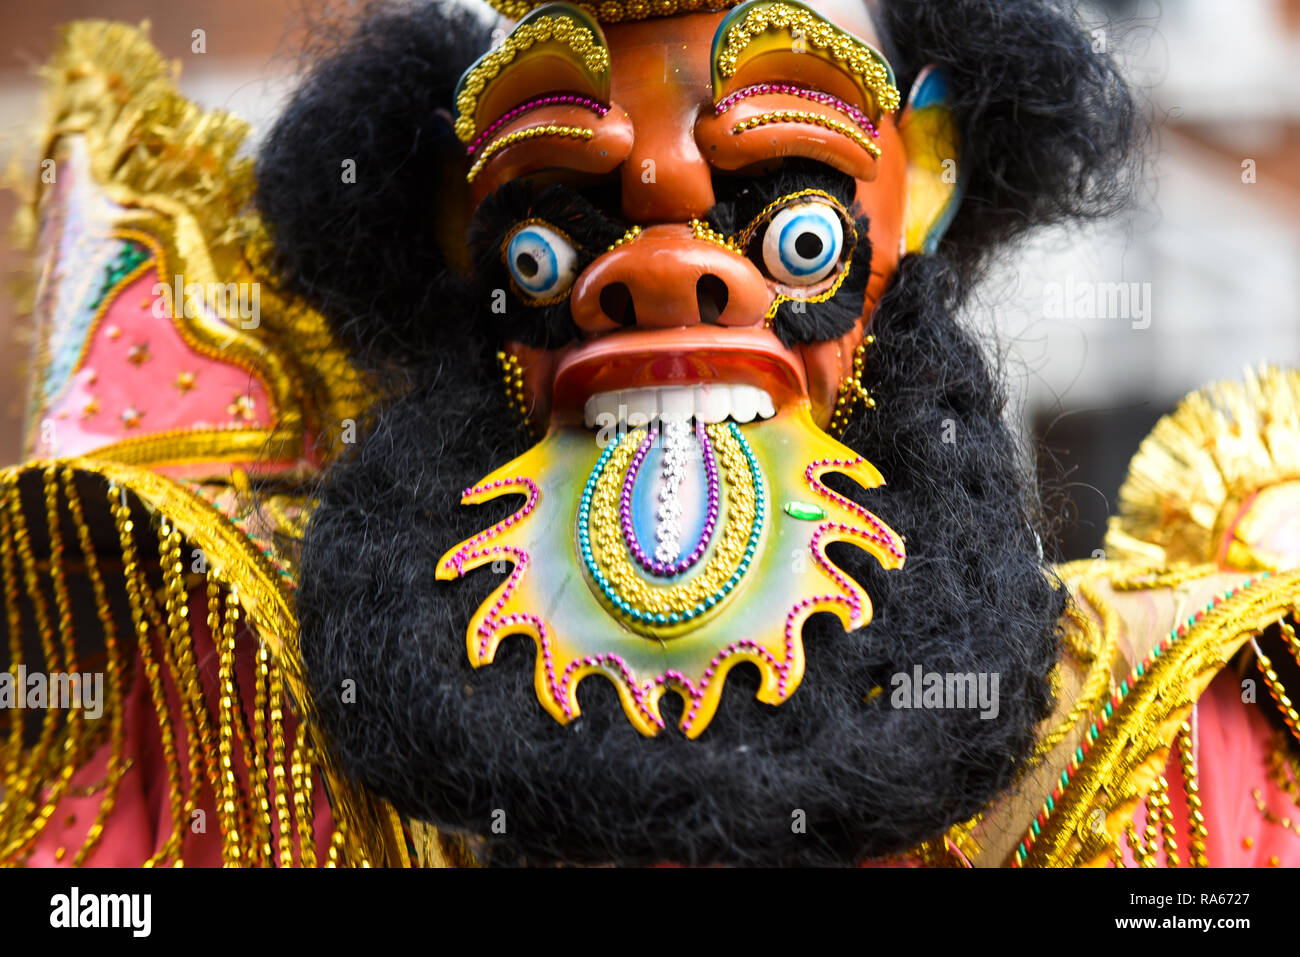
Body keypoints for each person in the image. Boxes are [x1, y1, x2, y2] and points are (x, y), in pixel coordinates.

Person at [2, 0, 1296, 868]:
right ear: (467, 249)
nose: (668, 278)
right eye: (553, 239)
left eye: (792, 227)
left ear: (924, 193)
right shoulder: (222, 707)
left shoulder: (1178, 725)